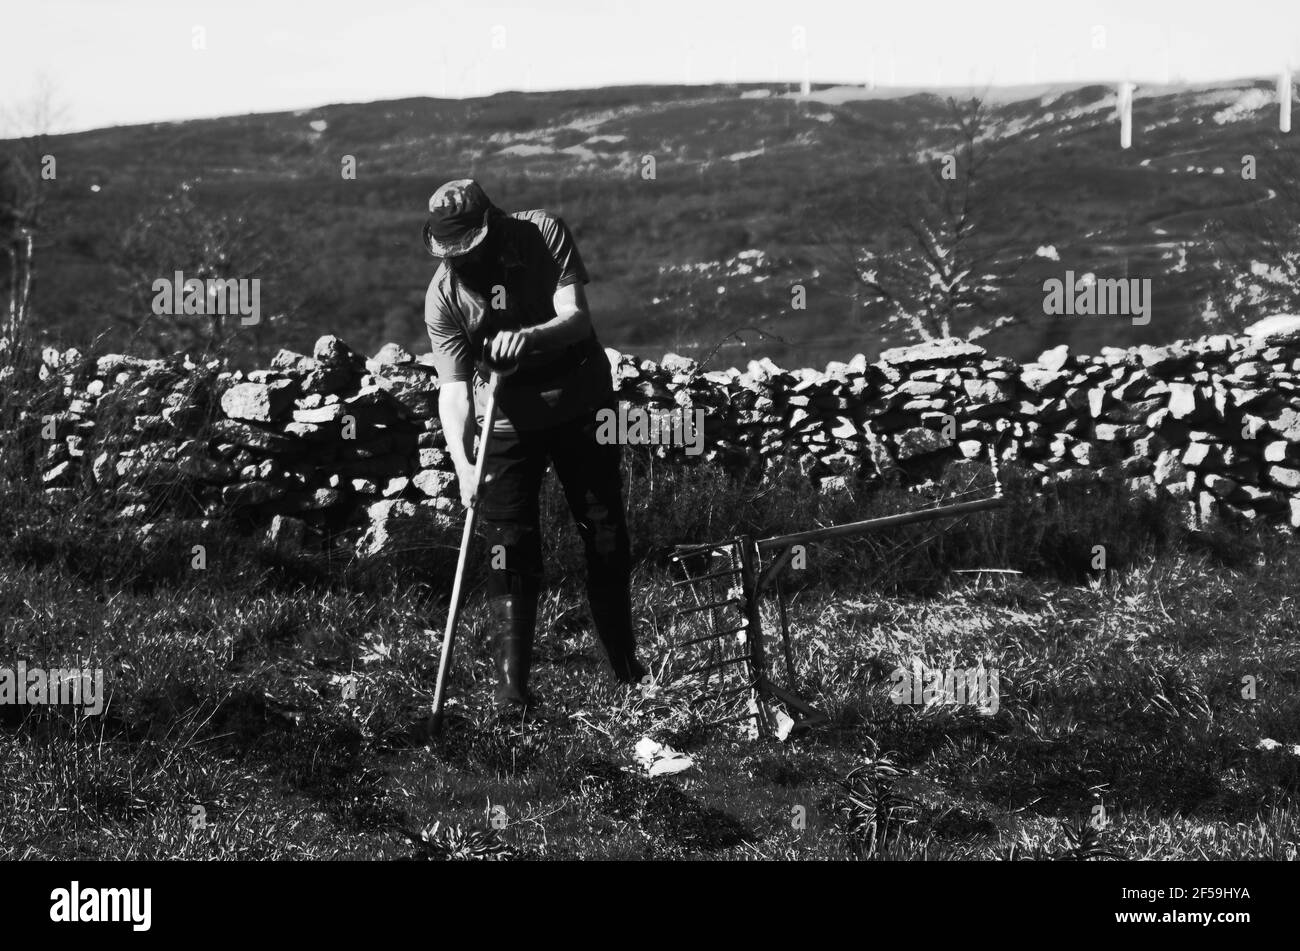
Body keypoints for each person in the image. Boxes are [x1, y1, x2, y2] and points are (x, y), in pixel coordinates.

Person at [422, 179, 647, 711]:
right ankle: (512, 694)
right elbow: (453, 391)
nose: (461, 262)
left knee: (605, 530)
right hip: (504, 414)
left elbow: (577, 320)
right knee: (508, 544)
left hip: (581, 400)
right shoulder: (443, 297)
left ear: (493, 226)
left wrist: (529, 337)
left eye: (469, 249)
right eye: (449, 254)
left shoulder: (543, 232)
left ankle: (625, 667)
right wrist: (463, 463)